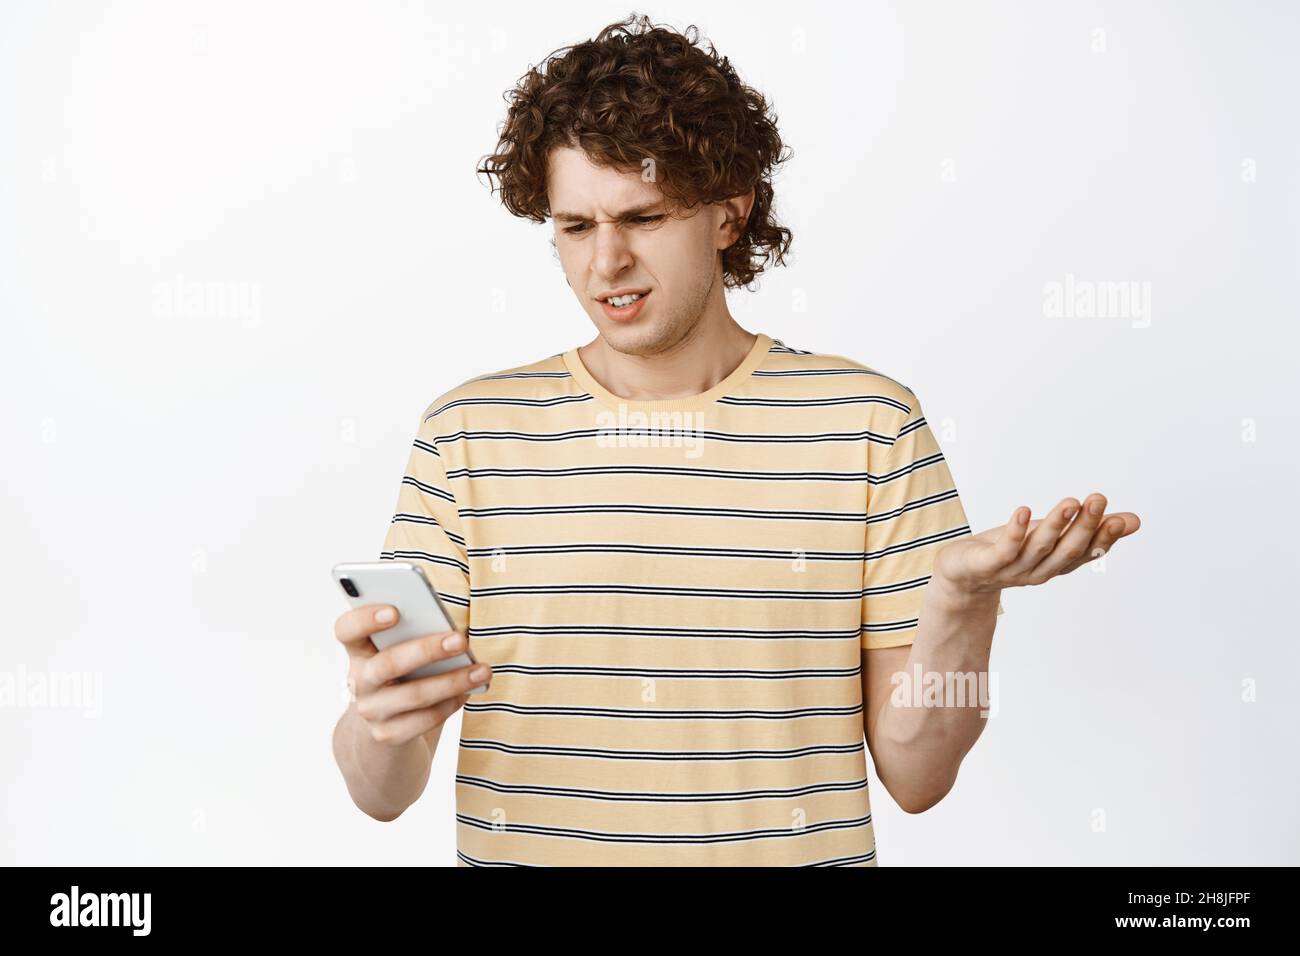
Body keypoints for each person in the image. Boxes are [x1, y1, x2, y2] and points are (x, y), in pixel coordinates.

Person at [331, 13, 1141, 866]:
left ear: (729, 211)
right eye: (575, 227)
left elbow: (920, 776)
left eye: (642, 217)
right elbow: (380, 793)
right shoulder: (467, 436)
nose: (606, 262)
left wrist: (960, 603)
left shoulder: (867, 427)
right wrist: (378, 723)